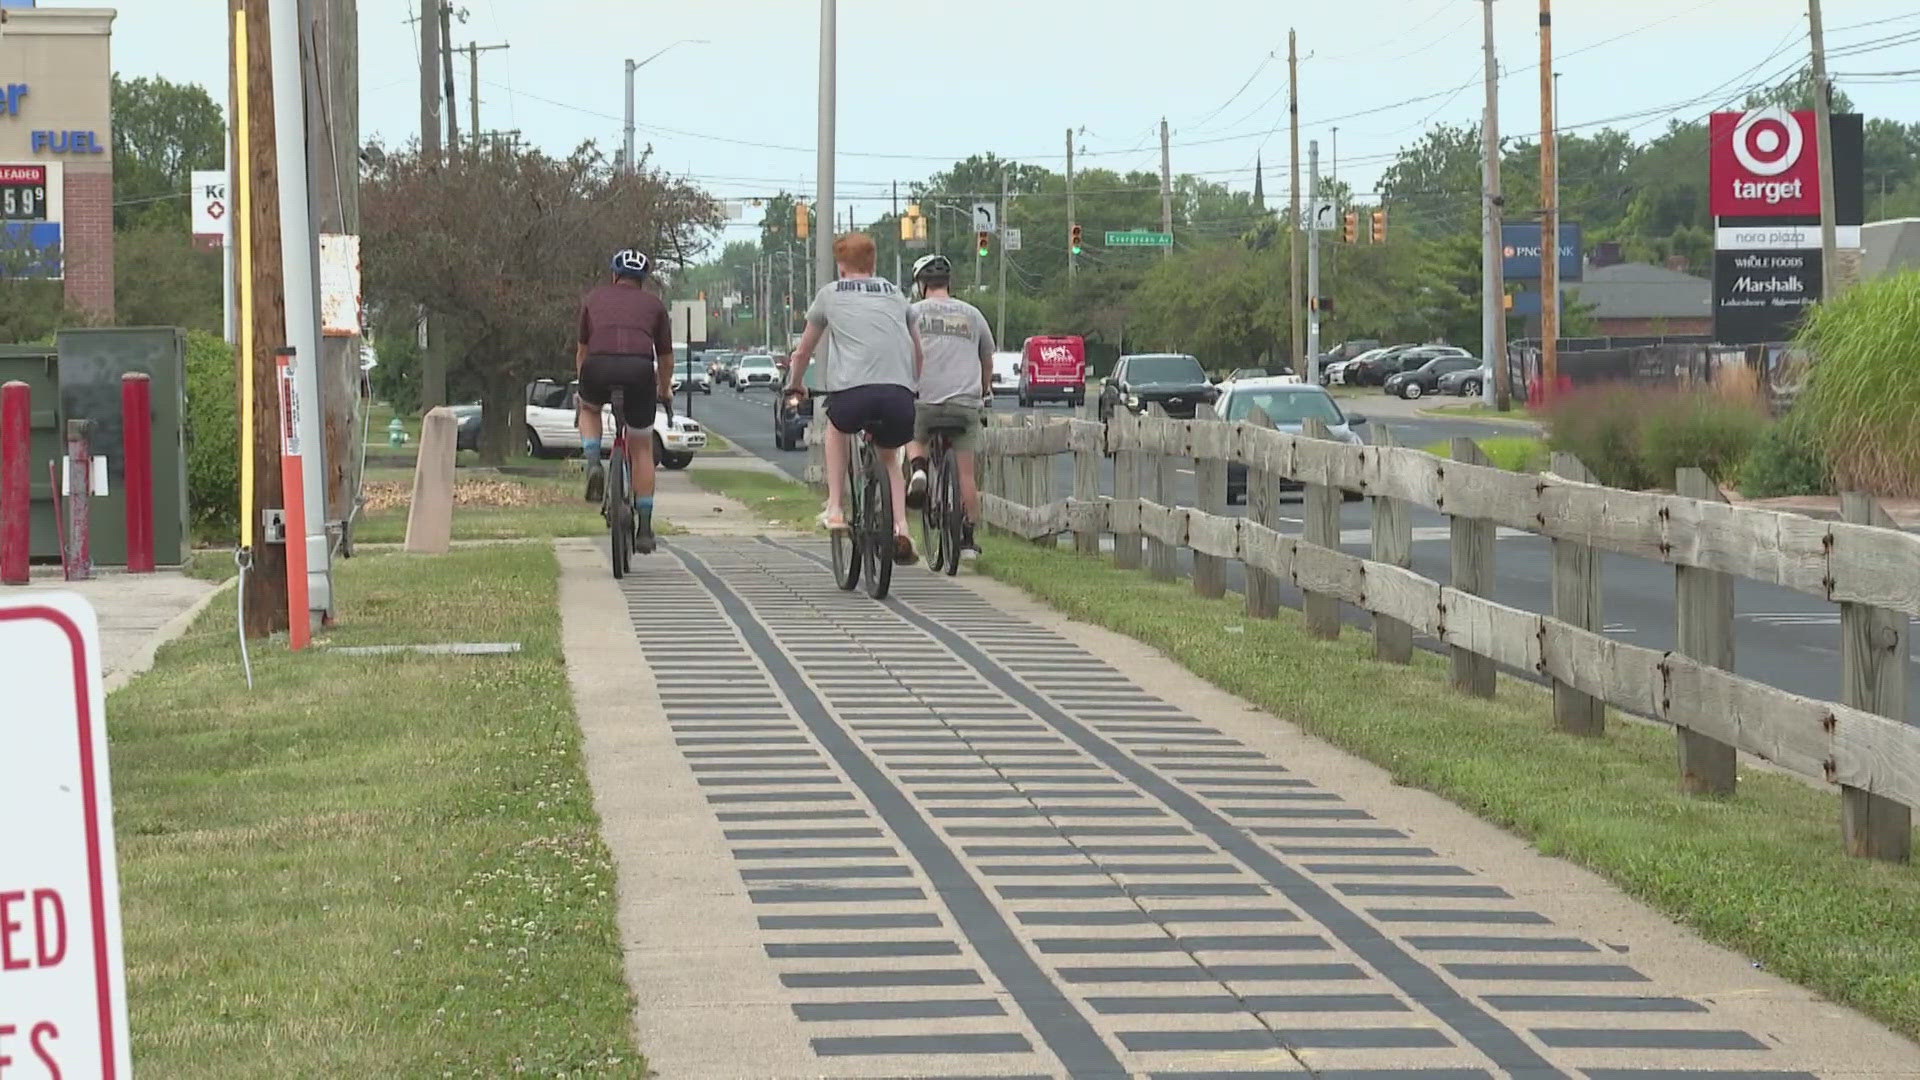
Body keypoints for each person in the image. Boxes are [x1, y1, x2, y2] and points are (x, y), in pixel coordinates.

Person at [784, 232, 922, 564]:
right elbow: (918, 350)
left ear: (841, 266)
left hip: (852, 394)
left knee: (837, 428)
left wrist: (795, 384)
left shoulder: (830, 295)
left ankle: (834, 507)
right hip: (898, 394)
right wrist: (913, 386)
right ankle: (902, 529)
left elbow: (803, 352)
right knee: (890, 460)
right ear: (873, 263)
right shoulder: (895, 294)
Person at [575, 248, 674, 554]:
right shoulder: (655, 306)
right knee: (641, 446)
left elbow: (582, 351)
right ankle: (644, 527)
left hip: (598, 365)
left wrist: (585, 385)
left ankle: (594, 462)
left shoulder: (593, 299)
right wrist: (664, 390)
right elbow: (666, 359)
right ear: (643, 280)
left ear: (614, 275)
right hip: (639, 370)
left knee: (589, 408)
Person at [902, 253, 993, 557]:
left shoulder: (911, 313)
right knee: (966, 474)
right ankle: (967, 539)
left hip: (924, 400)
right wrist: (985, 390)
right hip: (965, 402)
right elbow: (987, 358)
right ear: (948, 283)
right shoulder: (973, 314)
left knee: (914, 435)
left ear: (921, 285)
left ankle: (918, 468)